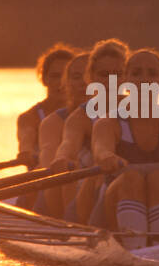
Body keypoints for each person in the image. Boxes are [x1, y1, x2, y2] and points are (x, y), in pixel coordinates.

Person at [92, 48, 159, 249]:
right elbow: (101, 150)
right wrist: (107, 157)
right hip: (111, 206)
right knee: (131, 177)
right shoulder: (107, 123)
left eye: (152, 73)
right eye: (136, 73)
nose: (144, 79)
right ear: (124, 82)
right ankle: (141, 248)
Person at [48, 38, 129, 220]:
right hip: (87, 202)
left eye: (117, 74)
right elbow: (68, 144)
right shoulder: (80, 118)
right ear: (91, 77)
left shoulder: (143, 111)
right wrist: (62, 157)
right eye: (104, 75)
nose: (111, 81)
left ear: (127, 77)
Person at [36, 51, 89, 218]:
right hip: (56, 200)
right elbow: (50, 166)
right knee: (66, 176)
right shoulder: (53, 122)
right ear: (66, 84)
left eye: (88, 76)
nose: (84, 83)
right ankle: (69, 226)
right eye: (77, 77)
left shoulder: (129, 113)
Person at [15, 43, 76, 167]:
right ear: (44, 79)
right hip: (44, 179)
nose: (61, 83)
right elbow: (26, 137)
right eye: (55, 76)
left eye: (66, 76)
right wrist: (26, 152)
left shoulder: (86, 114)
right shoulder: (30, 118)